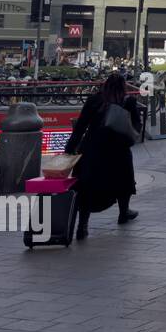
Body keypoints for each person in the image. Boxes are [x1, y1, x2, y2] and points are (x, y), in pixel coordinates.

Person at [67, 73, 141, 241]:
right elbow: (136, 125)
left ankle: (82, 226)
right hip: (118, 149)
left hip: (92, 148)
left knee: (86, 186)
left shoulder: (94, 100)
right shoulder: (128, 101)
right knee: (124, 181)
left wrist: (70, 149)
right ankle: (124, 212)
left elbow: (81, 126)